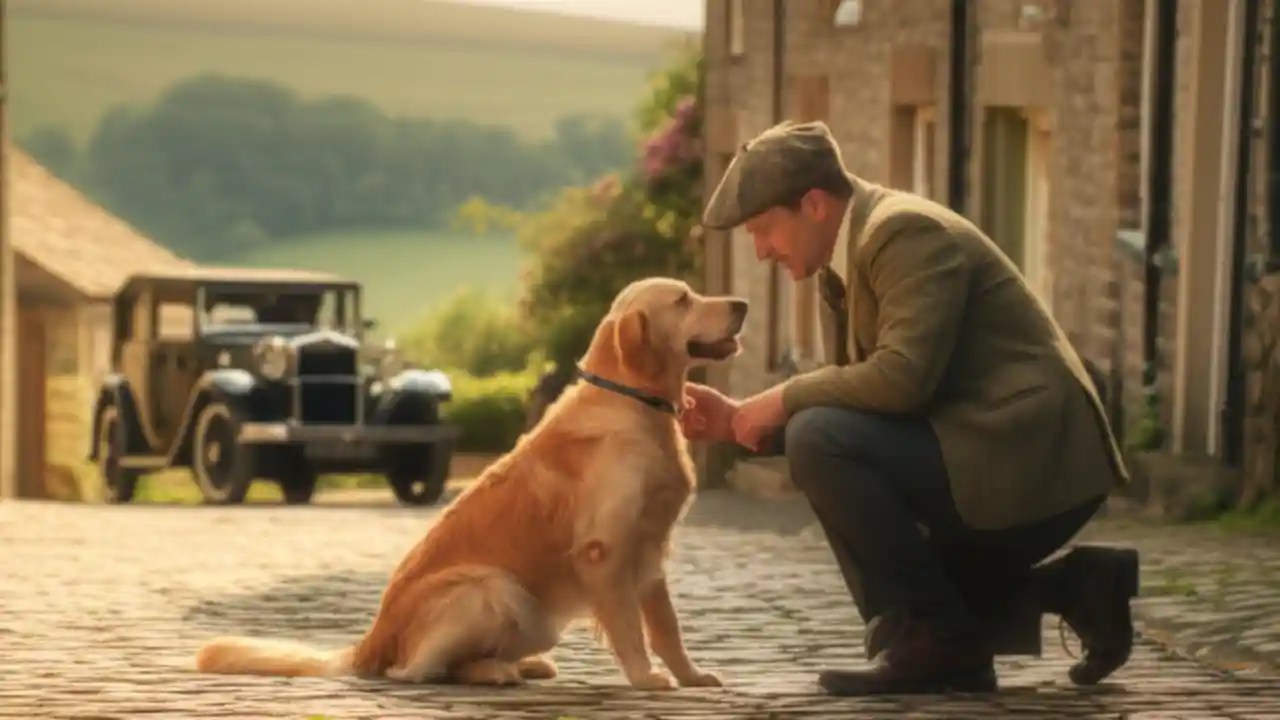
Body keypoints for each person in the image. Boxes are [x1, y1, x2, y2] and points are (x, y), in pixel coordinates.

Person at [681, 120, 1139, 696]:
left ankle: (937, 643)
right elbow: (860, 402)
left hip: (1031, 456)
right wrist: (736, 420)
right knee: (920, 576)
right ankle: (1078, 589)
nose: (762, 250)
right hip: (975, 450)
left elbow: (900, 383)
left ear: (815, 205)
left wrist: (781, 400)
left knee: (823, 446)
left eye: (765, 230)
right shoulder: (844, 262)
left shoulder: (905, 233)